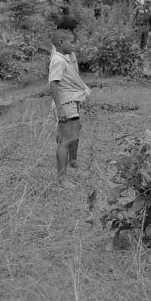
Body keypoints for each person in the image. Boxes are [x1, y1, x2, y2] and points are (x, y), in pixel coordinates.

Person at [48, 30, 90, 187]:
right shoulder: (58, 61)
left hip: (70, 101)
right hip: (65, 103)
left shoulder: (64, 59)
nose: (74, 45)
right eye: (71, 42)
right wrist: (59, 108)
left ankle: (67, 170)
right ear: (61, 43)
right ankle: (62, 178)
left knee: (69, 136)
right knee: (66, 141)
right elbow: (53, 83)